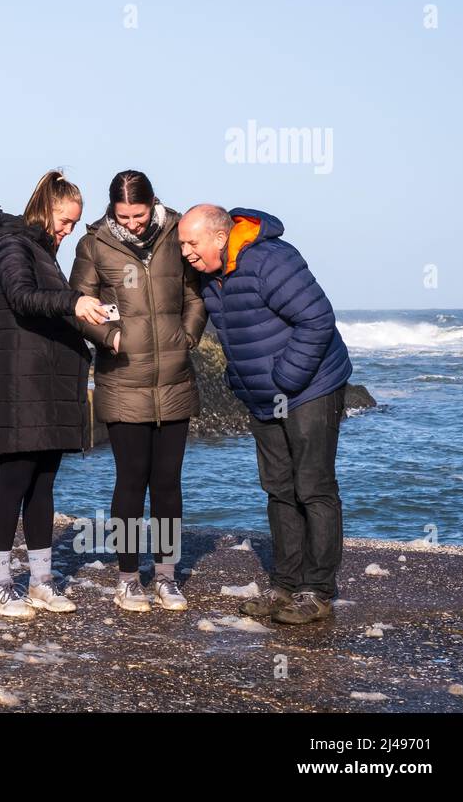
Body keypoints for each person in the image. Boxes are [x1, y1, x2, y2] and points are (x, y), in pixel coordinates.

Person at [179, 205, 352, 625]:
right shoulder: (211, 272)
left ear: (220, 238)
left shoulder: (271, 260)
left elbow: (316, 319)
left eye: (191, 243)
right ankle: (286, 586)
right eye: (182, 243)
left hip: (312, 387)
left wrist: (285, 378)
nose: (185, 251)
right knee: (279, 488)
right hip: (264, 396)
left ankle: (317, 592)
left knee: (313, 487)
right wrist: (242, 380)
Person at [69, 171, 206, 613]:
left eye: (139, 214)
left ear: (153, 205)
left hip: (175, 380)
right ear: (112, 209)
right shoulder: (93, 245)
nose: (131, 223)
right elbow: (79, 306)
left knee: (167, 484)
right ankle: (129, 579)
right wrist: (109, 337)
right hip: (122, 380)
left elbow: (195, 296)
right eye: (123, 215)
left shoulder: (175, 232)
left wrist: (186, 338)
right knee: (130, 483)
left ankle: (166, 577)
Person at [0, 169, 111, 618]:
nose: (69, 230)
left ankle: (41, 582)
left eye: (75, 223)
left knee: (43, 485)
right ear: (45, 207)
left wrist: (97, 321)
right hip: (21, 381)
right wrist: (72, 302)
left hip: (49, 383)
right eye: (65, 220)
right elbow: (22, 296)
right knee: (14, 482)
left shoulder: (42, 250)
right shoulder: (12, 245)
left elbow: (51, 308)